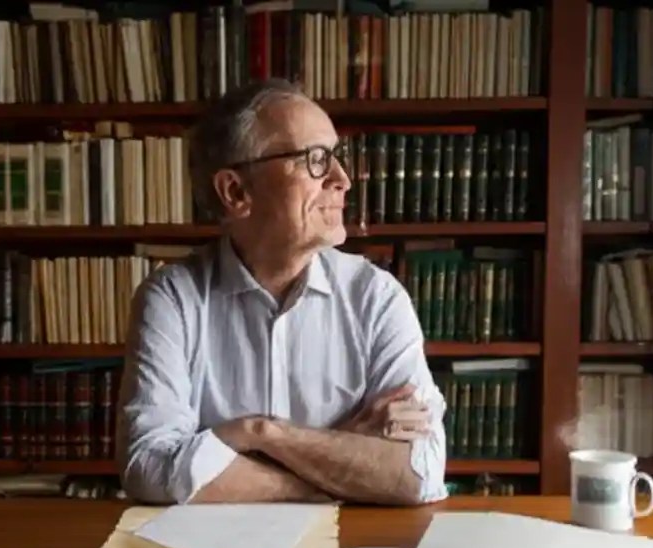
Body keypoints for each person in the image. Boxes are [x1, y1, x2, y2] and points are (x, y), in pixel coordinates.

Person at [116, 78, 447, 505]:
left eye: (336, 157)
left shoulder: (376, 299)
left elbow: (418, 473)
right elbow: (148, 469)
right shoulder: (173, 299)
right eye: (314, 159)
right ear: (236, 192)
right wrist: (331, 459)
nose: (342, 179)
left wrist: (264, 436)